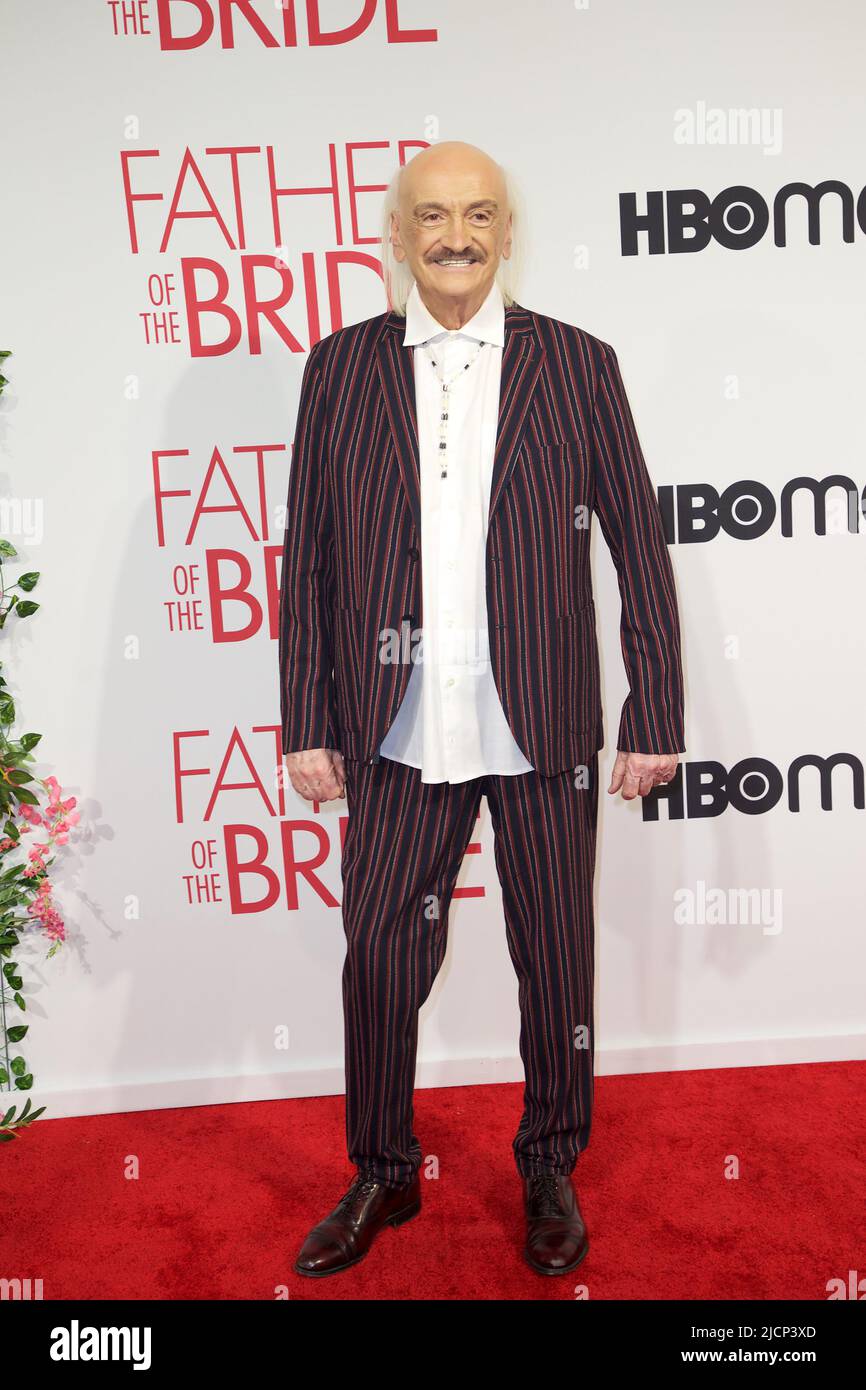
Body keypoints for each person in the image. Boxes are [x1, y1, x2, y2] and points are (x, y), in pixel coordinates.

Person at [278, 141, 685, 1278]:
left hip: (541, 721)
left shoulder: (578, 365)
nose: (454, 235)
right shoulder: (338, 369)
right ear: (394, 235)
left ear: (506, 232)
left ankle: (548, 1163)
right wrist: (306, 718)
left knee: (553, 952)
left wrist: (652, 707)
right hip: (395, 722)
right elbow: (306, 559)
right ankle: (381, 1171)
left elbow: (637, 551)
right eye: (431, 216)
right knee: (377, 959)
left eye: (477, 214)